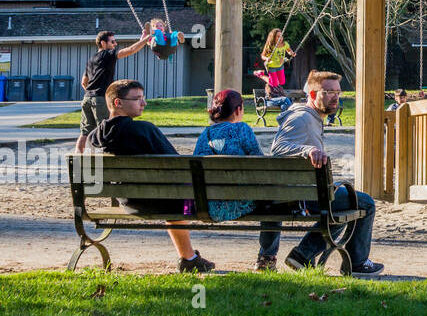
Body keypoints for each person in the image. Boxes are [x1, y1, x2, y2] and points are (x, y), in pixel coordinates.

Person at [257, 69, 383, 275]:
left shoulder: (311, 117)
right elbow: (278, 149)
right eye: (329, 92)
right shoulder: (303, 119)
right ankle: (357, 263)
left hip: (303, 192)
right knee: (365, 203)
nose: (335, 97)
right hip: (301, 196)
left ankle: (302, 256)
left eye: (338, 92)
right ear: (313, 95)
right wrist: (308, 150)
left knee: (341, 205)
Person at [86, 79, 216, 272]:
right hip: (161, 201)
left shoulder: (94, 137)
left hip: (129, 202)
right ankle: (189, 258)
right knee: (186, 201)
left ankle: (189, 257)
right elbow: (178, 165)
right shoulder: (144, 130)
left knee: (180, 198)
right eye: (137, 98)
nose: (144, 103)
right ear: (117, 103)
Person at [76, 29, 152, 153]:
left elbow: (84, 82)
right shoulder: (107, 54)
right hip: (100, 99)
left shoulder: (91, 59)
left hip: (87, 99)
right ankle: (106, 159)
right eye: (112, 42)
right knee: (106, 131)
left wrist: (92, 93)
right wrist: (145, 40)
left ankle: (77, 160)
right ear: (103, 43)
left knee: (85, 132)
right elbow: (131, 50)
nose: (115, 44)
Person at [194, 89, 264, 220]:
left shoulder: (205, 134)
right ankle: (268, 241)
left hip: (209, 206)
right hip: (240, 203)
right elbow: (261, 164)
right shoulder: (242, 129)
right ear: (238, 110)